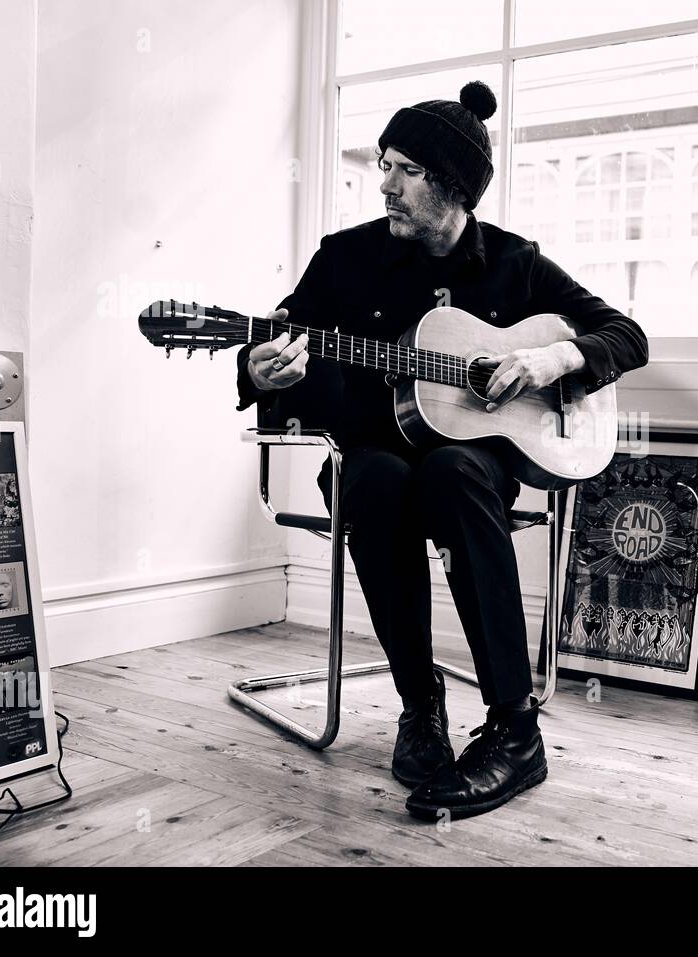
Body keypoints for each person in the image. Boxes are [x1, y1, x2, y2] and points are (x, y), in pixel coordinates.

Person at [234, 82, 648, 820]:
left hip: (474, 464)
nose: (385, 184)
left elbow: (625, 336)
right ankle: (419, 704)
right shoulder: (344, 259)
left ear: (454, 187)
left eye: (407, 170)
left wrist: (552, 361)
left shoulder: (518, 266)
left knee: (455, 472)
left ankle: (515, 732)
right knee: (376, 481)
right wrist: (260, 369)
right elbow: (279, 344)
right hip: (371, 453)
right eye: (384, 164)